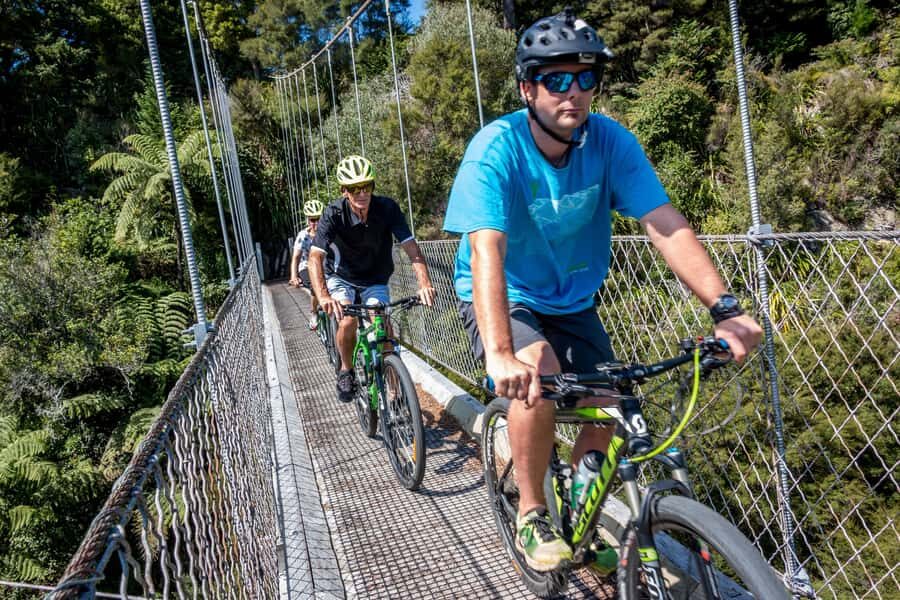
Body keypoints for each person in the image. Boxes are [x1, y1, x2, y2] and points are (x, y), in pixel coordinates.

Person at [443, 8, 763, 573]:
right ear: (527, 87)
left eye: (585, 78)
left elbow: (663, 221)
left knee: (613, 406)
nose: (573, 92)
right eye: (556, 79)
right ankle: (534, 512)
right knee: (534, 372)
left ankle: (581, 507)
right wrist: (498, 353)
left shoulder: (612, 142)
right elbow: (487, 248)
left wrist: (726, 308)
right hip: (505, 292)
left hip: (571, 299)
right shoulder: (496, 149)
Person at [309, 155, 437, 403]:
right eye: (355, 189)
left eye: (366, 186)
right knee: (347, 320)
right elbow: (315, 258)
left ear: (372, 187)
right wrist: (323, 296)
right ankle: (346, 370)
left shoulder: (387, 208)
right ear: (344, 191)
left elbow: (411, 247)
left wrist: (424, 283)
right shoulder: (333, 214)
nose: (361, 193)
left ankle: (393, 387)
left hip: (375, 277)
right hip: (342, 276)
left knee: (382, 325)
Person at [290, 199, 325, 330]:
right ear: (308, 220)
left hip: (325, 265)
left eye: (318, 219)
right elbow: (296, 257)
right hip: (306, 266)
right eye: (312, 220)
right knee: (315, 287)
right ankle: (314, 313)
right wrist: (294, 276)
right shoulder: (303, 236)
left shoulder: (327, 232)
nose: (315, 223)